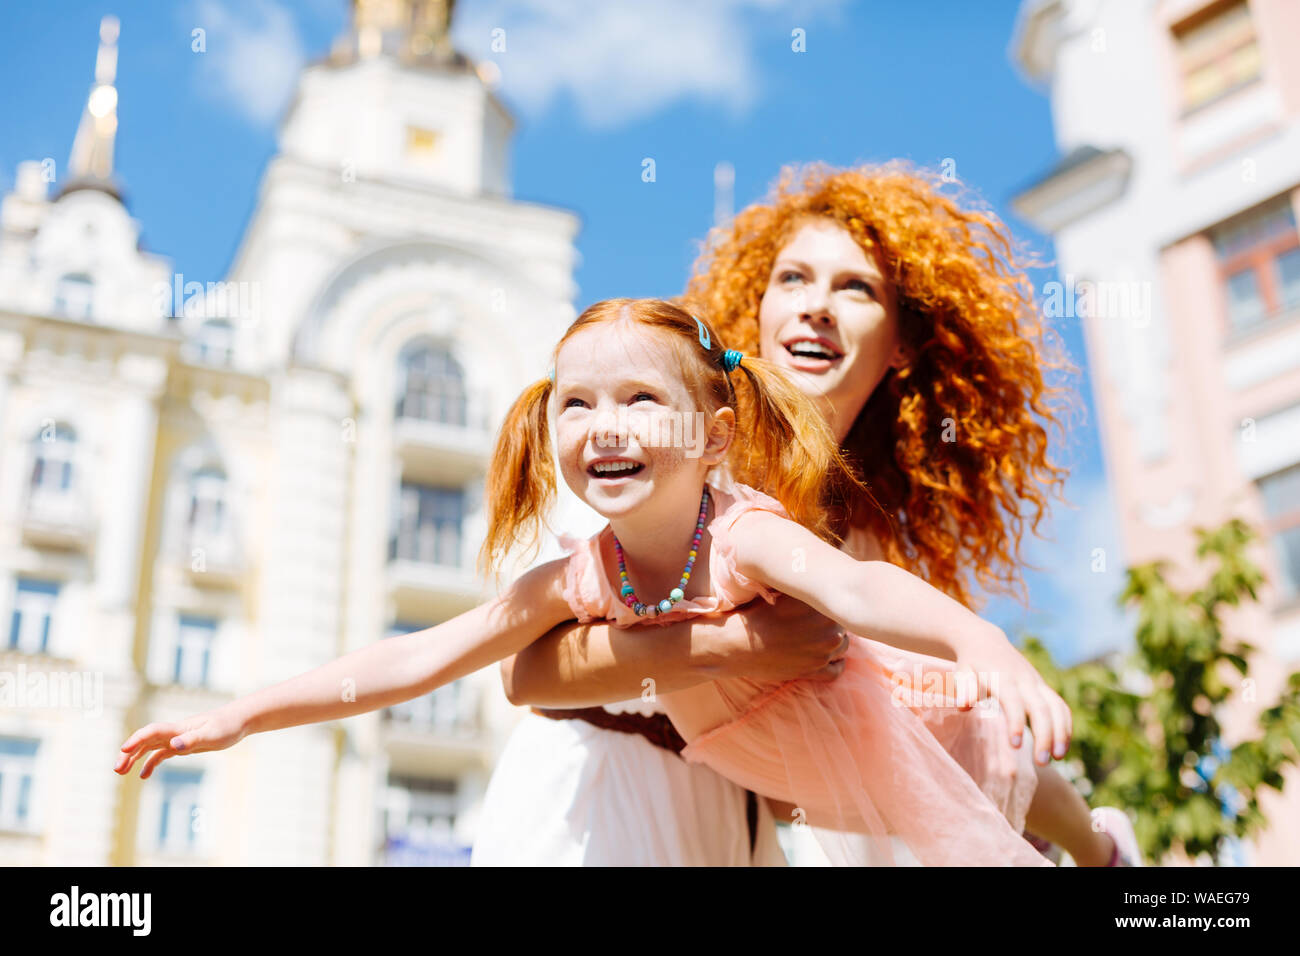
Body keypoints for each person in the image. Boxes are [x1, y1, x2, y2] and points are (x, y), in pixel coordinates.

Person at [116, 297, 1060, 866]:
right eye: (577, 404)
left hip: (884, 738)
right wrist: (242, 715)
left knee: (996, 798)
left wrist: (983, 641)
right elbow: (419, 658)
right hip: (784, 774)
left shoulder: (743, 536)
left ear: (715, 436)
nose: (604, 426)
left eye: (642, 399)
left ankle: (1100, 847)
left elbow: (861, 592)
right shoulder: (581, 577)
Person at [498, 162, 1141, 867]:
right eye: (793, 279)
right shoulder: (660, 441)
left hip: (729, 824)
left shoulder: (867, 539)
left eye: (856, 287)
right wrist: (738, 647)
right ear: (759, 306)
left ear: (903, 344)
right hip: (591, 799)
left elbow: (847, 751)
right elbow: (527, 671)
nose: (817, 306)